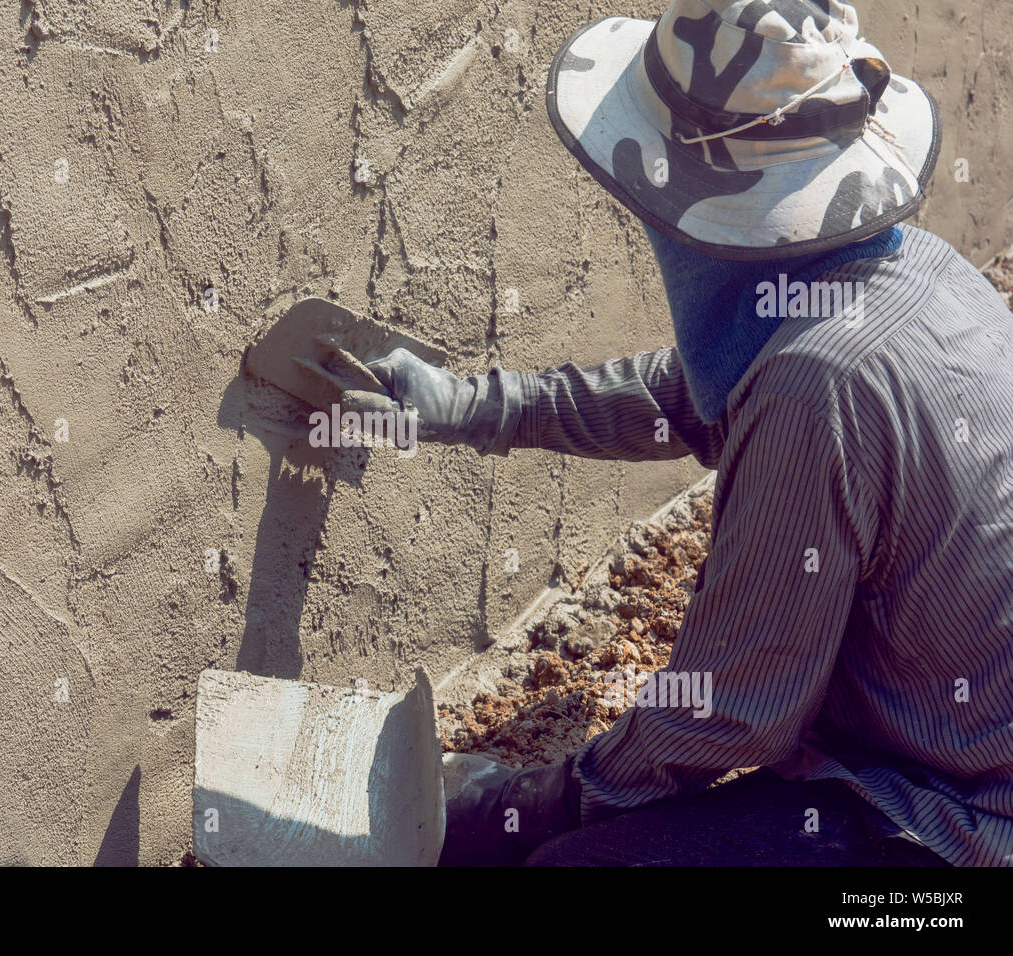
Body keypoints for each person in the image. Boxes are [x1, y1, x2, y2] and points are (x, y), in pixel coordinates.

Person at [334, 0, 1013, 866]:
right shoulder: (913, 268)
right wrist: (474, 404)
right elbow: (691, 395)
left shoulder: (819, 387)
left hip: (962, 820)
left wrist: (532, 803)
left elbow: (733, 709)